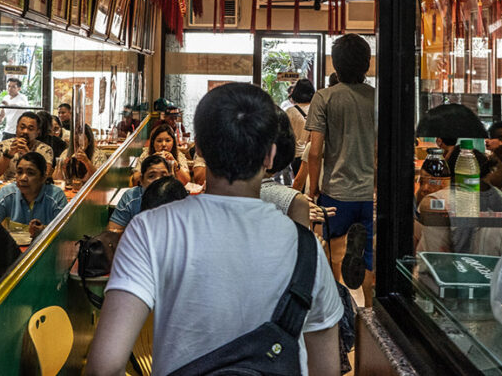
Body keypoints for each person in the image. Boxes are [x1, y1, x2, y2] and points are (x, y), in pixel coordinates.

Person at [85, 82, 343, 376]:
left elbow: (104, 367)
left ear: (200, 149)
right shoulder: (307, 248)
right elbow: (326, 369)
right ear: (270, 156)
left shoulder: (149, 230)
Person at [306, 34, 376, 302]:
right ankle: (368, 314)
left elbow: (315, 152)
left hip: (336, 192)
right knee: (369, 260)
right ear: (366, 64)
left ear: (335, 65)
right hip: (368, 193)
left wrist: (314, 189)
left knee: (332, 254)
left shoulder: (324, 97)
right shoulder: (377, 98)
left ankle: (338, 310)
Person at [0, 152, 67, 239]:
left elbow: (66, 234)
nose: (23, 178)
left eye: (30, 173)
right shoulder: (7, 193)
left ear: (43, 177)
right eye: (19, 172)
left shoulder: (56, 196)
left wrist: (45, 232)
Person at [108, 154, 173, 233]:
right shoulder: (131, 197)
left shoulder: (177, 196)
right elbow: (113, 230)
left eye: (163, 176)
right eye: (151, 176)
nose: (158, 180)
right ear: (141, 180)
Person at [0, 111, 54, 181]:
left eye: (30, 129)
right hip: (8, 185)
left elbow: (44, 177)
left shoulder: (45, 149)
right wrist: (9, 155)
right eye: (22, 127)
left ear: (38, 132)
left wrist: (28, 155)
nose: (25, 131)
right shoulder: (2, 146)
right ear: (16, 128)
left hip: (33, 186)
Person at [286, 78, 314, 177]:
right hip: (314, 152)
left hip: (297, 154)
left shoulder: (290, 112)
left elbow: (286, 135)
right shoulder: (317, 110)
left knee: (299, 183)